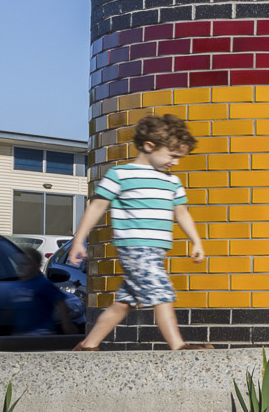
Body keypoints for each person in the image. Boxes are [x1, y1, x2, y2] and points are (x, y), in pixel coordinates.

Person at [68, 114, 210, 351]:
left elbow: (182, 212)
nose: (175, 162)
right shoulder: (121, 175)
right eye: (172, 155)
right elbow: (97, 207)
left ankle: (88, 345)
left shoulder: (172, 181)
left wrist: (196, 241)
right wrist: (79, 240)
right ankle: (178, 346)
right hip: (135, 248)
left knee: (124, 303)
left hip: (156, 251)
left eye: (179, 158)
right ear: (149, 146)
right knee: (162, 292)